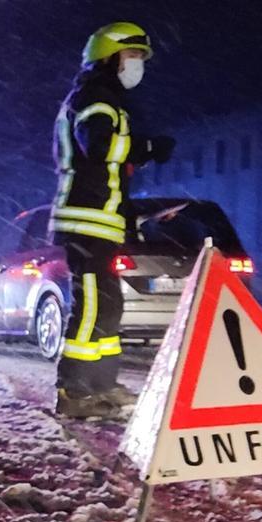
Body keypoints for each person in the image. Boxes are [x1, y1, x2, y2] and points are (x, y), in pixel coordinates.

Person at [50, 22, 174, 418]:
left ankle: (102, 385)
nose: (138, 64)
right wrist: (147, 147)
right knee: (90, 309)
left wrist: (132, 212)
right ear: (109, 57)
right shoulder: (94, 95)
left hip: (101, 221)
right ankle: (73, 391)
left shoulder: (106, 97)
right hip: (86, 221)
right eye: (132, 55)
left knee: (108, 307)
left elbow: (106, 167)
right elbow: (98, 144)